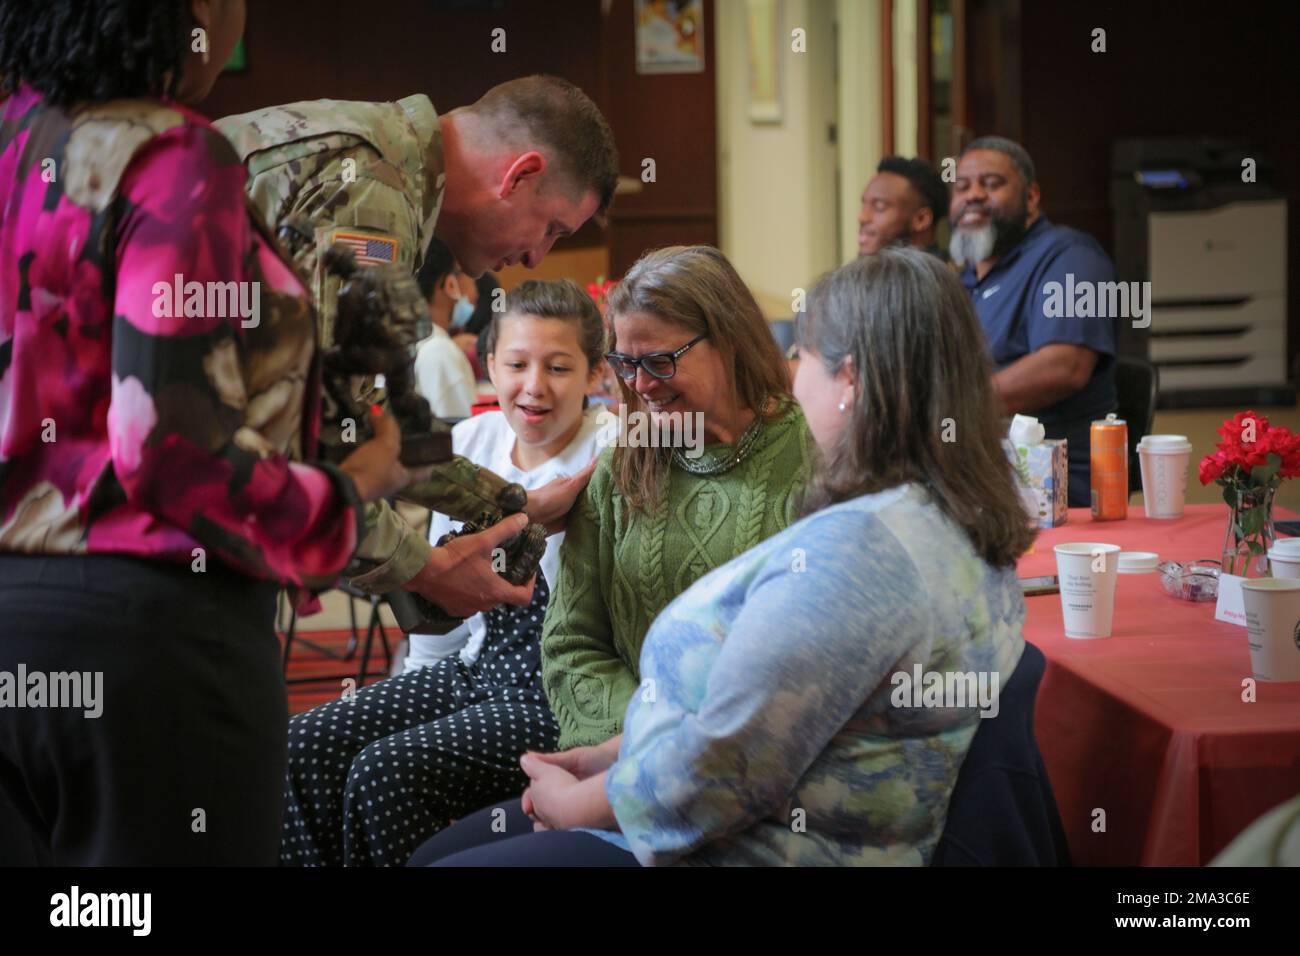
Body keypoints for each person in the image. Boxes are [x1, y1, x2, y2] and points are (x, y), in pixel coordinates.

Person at [411, 247, 1037, 866]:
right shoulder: (950, 510)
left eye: (807, 355)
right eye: (625, 363)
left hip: (746, 841)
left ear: (849, 380)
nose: (794, 372)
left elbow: (724, 770)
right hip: (706, 800)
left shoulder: (857, 547)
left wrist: (575, 802)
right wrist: (614, 752)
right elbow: (737, 717)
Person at [0, 1, 425, 864]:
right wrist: (345, 496)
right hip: (151, 636)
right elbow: (169, 443)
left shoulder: (10, 143)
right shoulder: (171, 156)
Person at [215, 75, 619, 615]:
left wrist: (508, 503)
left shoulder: (377, 153)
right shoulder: (375, 195)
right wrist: (424, 569)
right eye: (552, 229)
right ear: (520, 176)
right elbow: (319, 428)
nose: (535, 259)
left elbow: (348, 410)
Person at [281, 280, 611, 866]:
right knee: (303, 744)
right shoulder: (472, 440)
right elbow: (444, 609)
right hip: (473, 670)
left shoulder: (609, 454)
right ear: (488, 365)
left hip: (556, 694)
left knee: (384, 774)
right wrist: (415, 685)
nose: (533, 386)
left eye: (559, 368)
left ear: (594, 375)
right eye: (516, 364)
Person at [949, 135, 1119, 506]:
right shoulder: (963, 282)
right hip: (976, 478)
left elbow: (1065, 365)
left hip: (1051, 491)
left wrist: (952, 407)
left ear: (1031, 197)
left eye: (991, 184)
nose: (973, 194)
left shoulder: (1071, 256)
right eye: (962, 186)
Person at [413, 240, 479, 419]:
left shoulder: (404, 340)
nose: (476, 292)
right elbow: (462, 438)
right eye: (462, 273)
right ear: (449, 283)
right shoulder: (439, 351)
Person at [858, 155, 949, 258]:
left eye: (879, 207)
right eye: (864, 205)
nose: (862, 217)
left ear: (921, 219)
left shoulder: (944, 273)